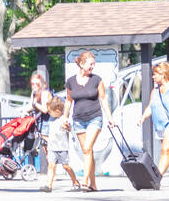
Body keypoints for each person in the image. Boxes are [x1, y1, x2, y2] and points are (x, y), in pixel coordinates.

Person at [63, 50, 113, 192]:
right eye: (90, 64)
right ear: (82, 64)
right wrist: (65, 118)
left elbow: (103, 99)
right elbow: (68, 100)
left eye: (94, 64)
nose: (92, 67)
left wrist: (109, 117)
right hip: (78, 119)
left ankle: (85, 181)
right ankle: (94, 184)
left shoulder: (97, 80)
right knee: (87, 151)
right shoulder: (71, 81)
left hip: (94, 118)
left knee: (87, 148)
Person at [40, 98, 79, 192]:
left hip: (62, 148)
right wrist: (44, 137)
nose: (49, 113)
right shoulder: (51, 119)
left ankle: (75, 182)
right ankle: (49, 185)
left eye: (50, 111)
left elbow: (68, 127)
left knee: (66, 166)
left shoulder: (64, 119)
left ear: (57, 111)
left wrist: (67, 127)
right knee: (51, 166)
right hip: (52, 148)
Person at [25, 71, 53, 171]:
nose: (34, 86)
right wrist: (24, 111)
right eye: (32, 84)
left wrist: (35, 104)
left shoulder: (45, 93)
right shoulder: (34, 93)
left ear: (41, 84)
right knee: (46, 150)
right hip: (41, 123)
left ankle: (52, 173)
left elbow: (45, 109)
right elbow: (30, 106)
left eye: (37, 84)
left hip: (49, 122)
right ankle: (51, 173)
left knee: (50, 149)